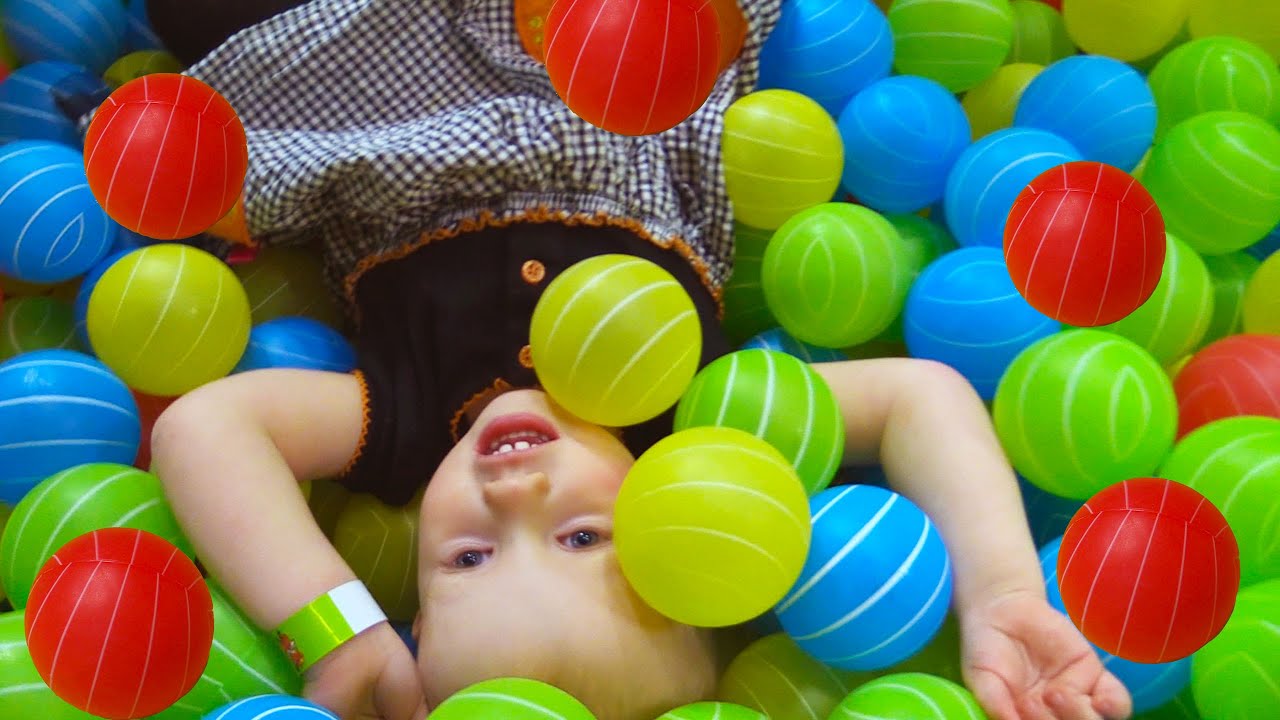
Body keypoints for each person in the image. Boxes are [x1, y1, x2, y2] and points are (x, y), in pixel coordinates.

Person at [146, 1, 1134, 719]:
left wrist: (335, 634)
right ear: (686, 534)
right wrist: (1004, 591)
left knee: (190, 17)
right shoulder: (698, 426)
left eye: (467, 557)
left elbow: (205, 427)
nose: (507, 489)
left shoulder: (407, 429)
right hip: (618, 60)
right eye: (581, 539)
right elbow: (918, 396)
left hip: (384, 103)